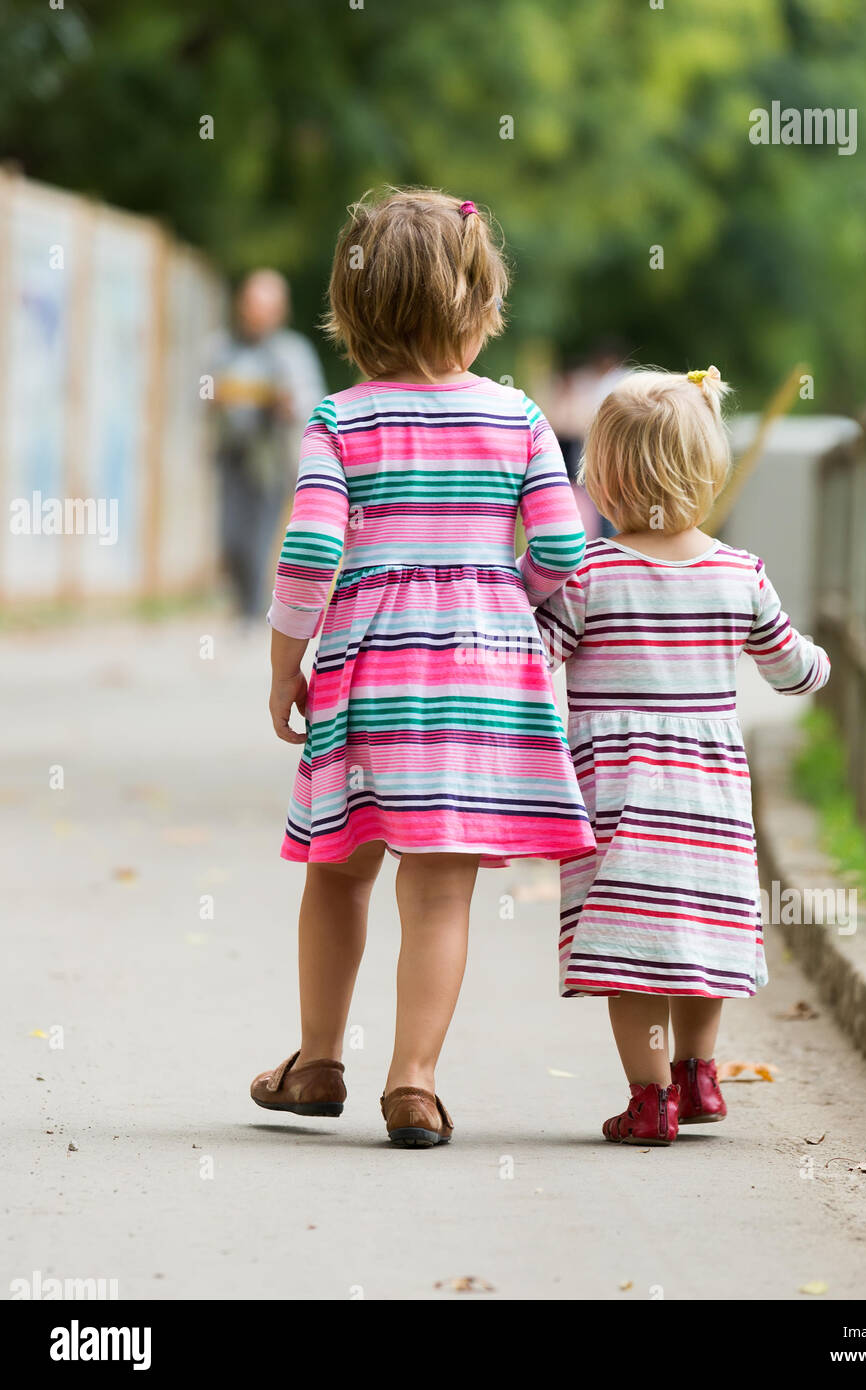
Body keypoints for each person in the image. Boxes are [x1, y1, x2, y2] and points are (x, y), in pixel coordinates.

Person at [249, 189, 595, 1147]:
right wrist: (503, 597)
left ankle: (318, 1062)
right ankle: (414, 1082)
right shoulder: (519, 417)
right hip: (482, 677)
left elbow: (313, 553)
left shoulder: (339, 421)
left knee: (340, 867)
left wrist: (286, 661)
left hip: (368, 679)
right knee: (440, 886)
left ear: (351, 314)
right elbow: (562, 547)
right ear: (481, 306)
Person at [534, 366, 830, 1145]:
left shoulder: (589, 575)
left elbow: (534, 657)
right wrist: (825, 663)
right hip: (709, 803)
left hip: (620, 802)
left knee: (630, 948)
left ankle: (648, 1098)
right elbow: (792, 668)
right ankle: (699, 1076)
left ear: (602, 476)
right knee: (702, 932)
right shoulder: (739, 575)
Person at [208, 269, 326, 620]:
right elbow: (200, 392)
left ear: (279, 312)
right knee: (230, 534)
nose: (256, 315)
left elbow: (312, 404)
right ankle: (243, 599)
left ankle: (252, 609)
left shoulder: (292, 353)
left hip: (272, 458)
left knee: (260, 534)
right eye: (251, 306)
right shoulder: (220, 349)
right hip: (232, 453)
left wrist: (286, 404)